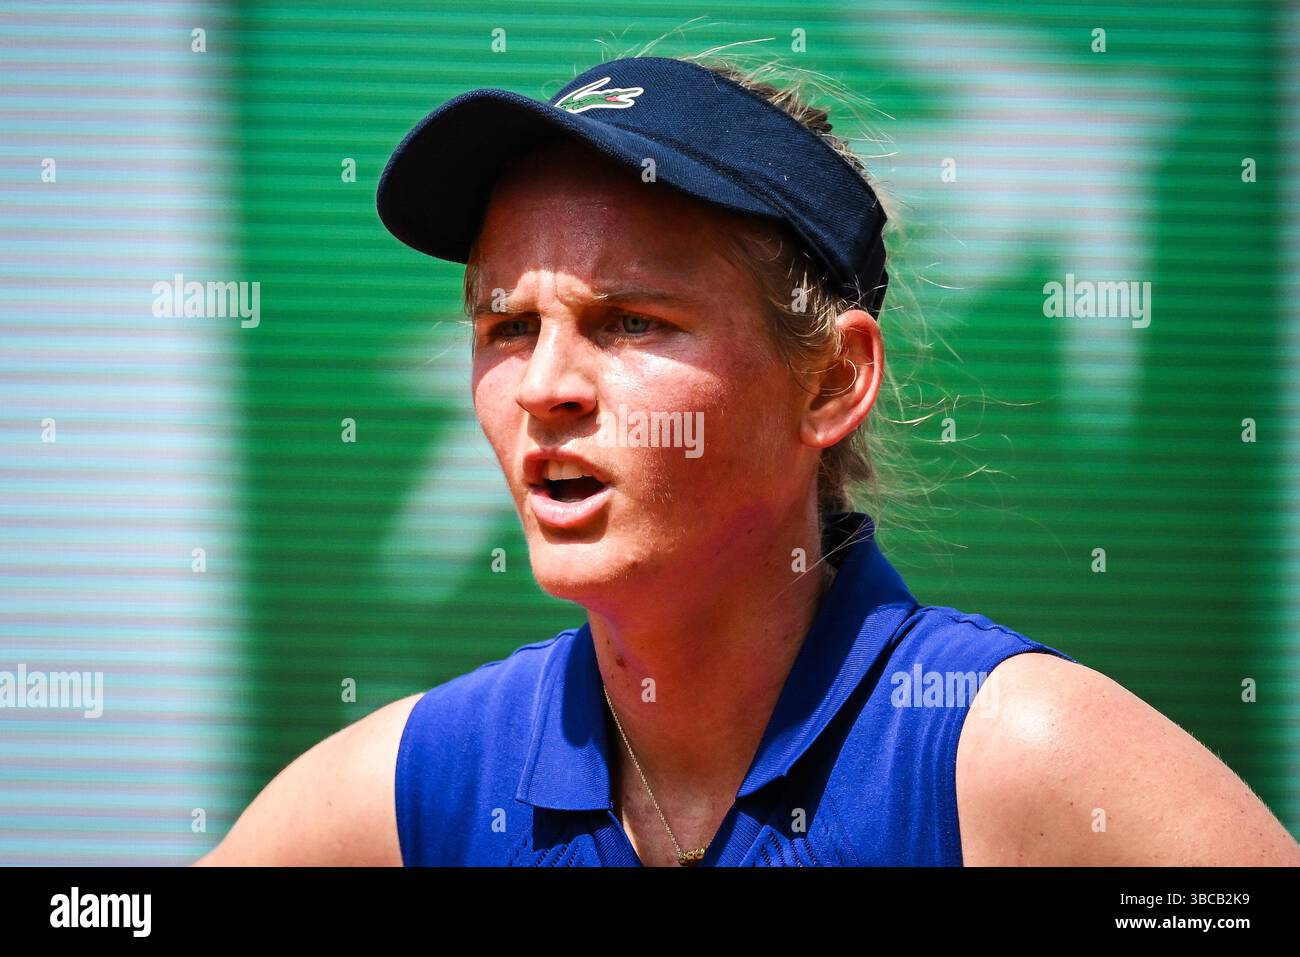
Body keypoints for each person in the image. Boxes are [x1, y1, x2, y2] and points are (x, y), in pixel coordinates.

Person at [195, 53, 1300, 867]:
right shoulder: (419, 789)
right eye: (505, 326)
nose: (545, 386)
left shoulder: (1021, 758)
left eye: (630, 321)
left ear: (828, 383)